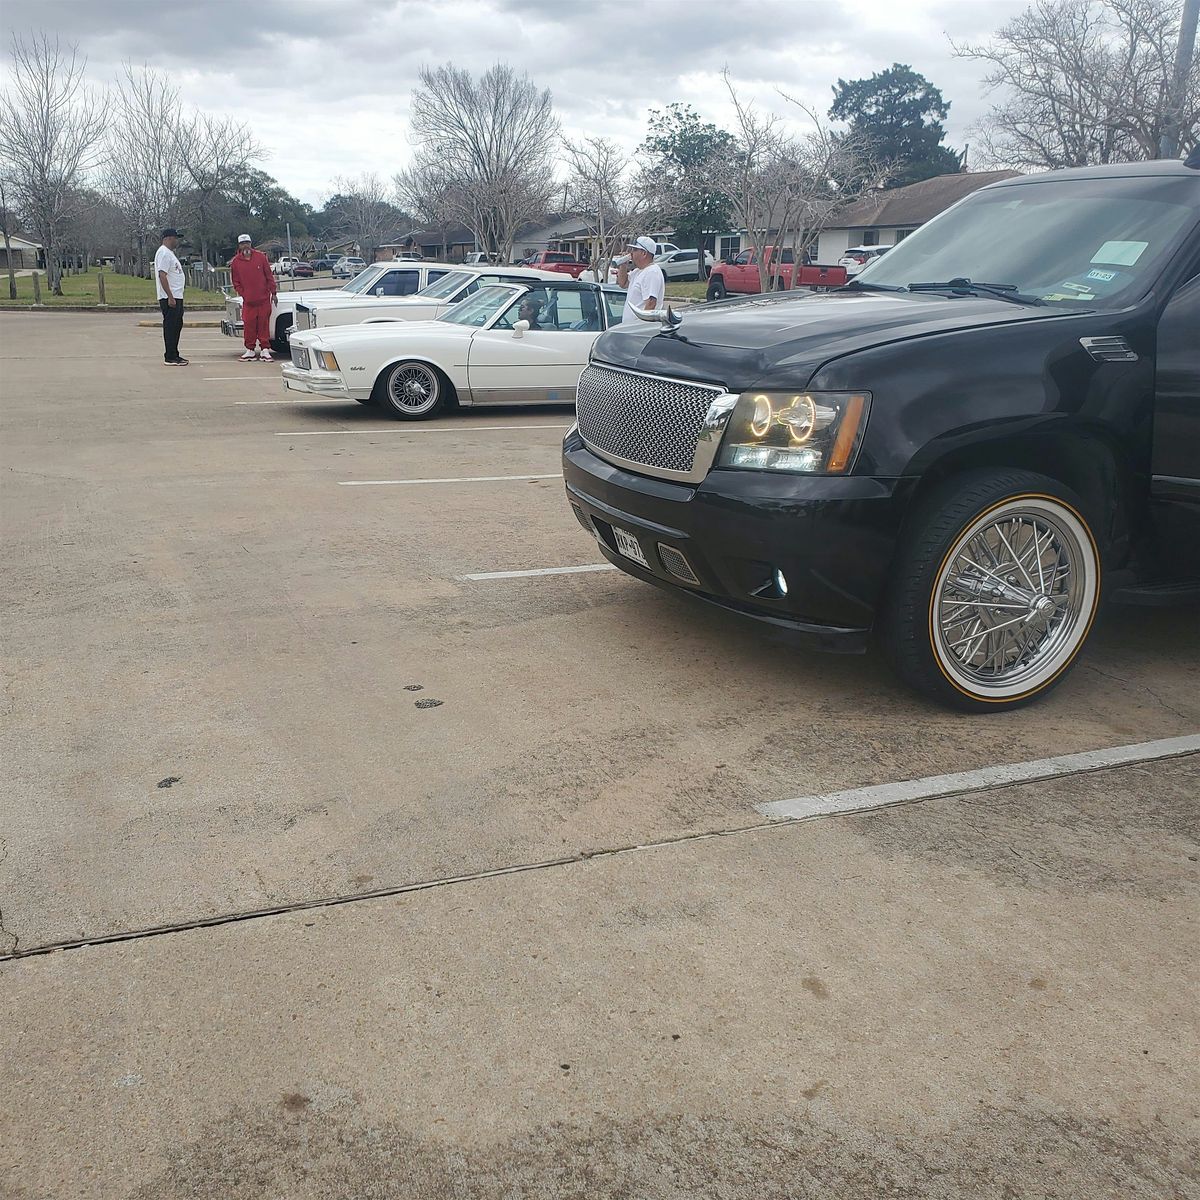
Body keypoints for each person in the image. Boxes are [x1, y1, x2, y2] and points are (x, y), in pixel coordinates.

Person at [229, 234, 278, 361]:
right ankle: (250, 350)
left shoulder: (261, 257)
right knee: (249, 325)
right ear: (239, 246)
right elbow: (236, 282)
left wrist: (274, 292)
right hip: (248, 301)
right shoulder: (236, 262)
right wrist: (243, 293)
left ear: (251, 244)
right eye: (243, 243)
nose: (246, 245)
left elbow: (269, 276)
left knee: (263, 324)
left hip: (263, 299)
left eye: (248, 243)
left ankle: (265, 349)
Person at [154, 228, 187, 366]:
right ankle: (170, 356)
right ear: (168, 238)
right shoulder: (163, 253)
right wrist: (170, 296)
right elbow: (162, 275)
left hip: (177, 295)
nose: (176, 240)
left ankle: (175, 353)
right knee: (171, 326)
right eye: (175, 238)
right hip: (170, 297)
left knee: (177, 325)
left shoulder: (170, 253)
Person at [616, 235, 665, 325]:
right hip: (630, 329)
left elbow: (651, 303)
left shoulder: (652, 272)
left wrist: (641, 327)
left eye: (634, 250)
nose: (631, 253)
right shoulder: (638, 271)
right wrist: (623, 265)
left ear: (644, 253)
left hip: (638, 331)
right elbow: (622, 283)